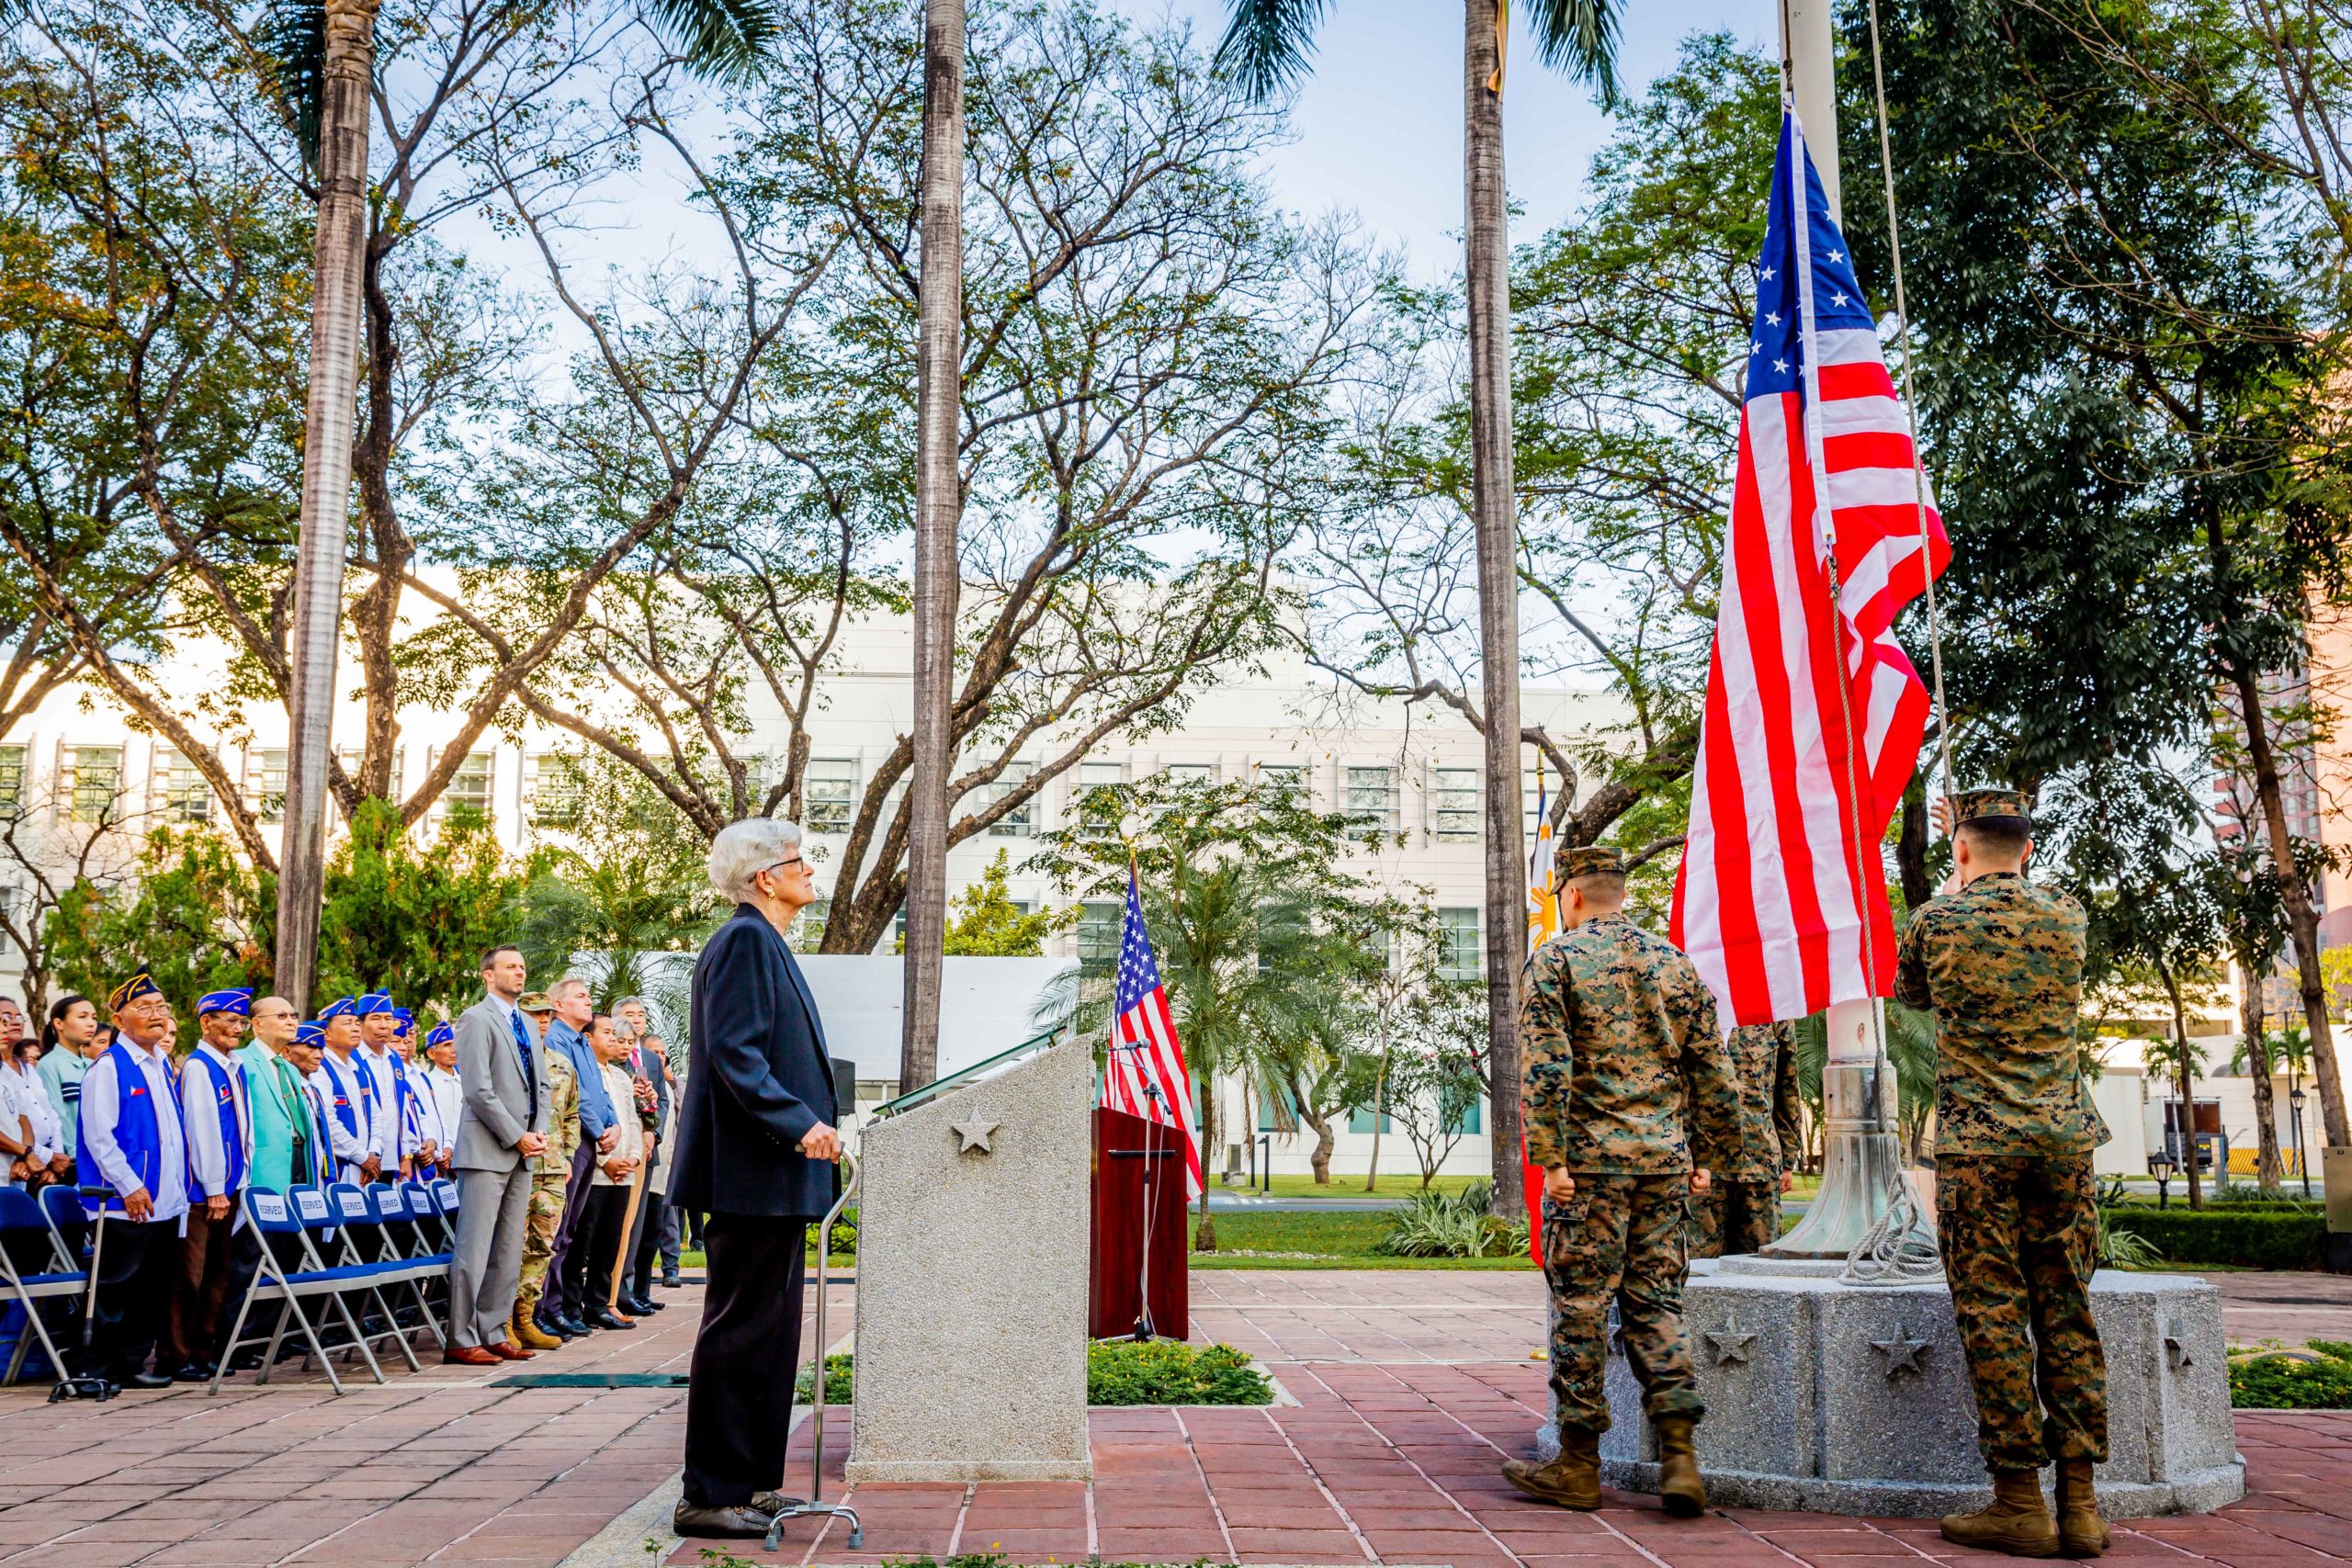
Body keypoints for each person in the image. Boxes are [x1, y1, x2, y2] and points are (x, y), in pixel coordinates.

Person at [1899, 790, 2110, 1559]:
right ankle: (2082, 1504)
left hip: (1977, 1148)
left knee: (1993, 1312)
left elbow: (1913, 994)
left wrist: (1953, 898)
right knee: (2067, 1306)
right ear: (2026, 847)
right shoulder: (2069, 915)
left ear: (1959, 850)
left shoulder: (1935, 920)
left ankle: (2019, 1501)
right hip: (2063, 1141)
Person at [1504, 844, 1736, 1517]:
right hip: (1663, 1163)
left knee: (1581, 1306)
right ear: (1620, 894)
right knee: (1657, 1304)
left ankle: (1578, 1465)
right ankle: (1680, 1458)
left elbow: (1547, 1067)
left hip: (1590, 1169)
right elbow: (1713, 1070)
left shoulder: (1556, 960)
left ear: (1570, 896)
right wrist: (1708, 1156)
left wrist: (1551, 1161)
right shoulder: (1673, 963)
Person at [670, 817, 842, 1540]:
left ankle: (750, 1481)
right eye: (798, 860)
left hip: (771, 1179)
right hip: (750, 1174)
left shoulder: (766, 940)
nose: (810, 870)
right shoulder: (744, 938)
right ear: (764, 876)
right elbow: (739, 1056)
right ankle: (708, 1492)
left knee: (770, 1337)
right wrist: (799, 1121)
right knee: (741, 1333)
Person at [74, 968, 191, 1390]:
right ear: (120, 1020)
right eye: (145, 1008)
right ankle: (95, 1370)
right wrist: (130, 1185)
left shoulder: (160, 1063)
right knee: (116, 1287)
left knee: (151, 1289)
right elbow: (99, 1136)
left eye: (161, 1007)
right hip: (123, 1200)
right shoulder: (110, 1066)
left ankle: (130, 1362)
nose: (157, 1015)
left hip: (164, 1199)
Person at [445, 944, 548, 1366]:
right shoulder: (475, 1019)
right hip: (487, 1150)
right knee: (475, 1248)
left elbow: (540, 1086)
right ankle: (460, 1337)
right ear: (488, 975)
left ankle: (493, 1329)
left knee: (508, 1249)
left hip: (524, 1151)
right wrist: (515, 1135)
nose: (519, 973)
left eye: (522, 966)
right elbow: (478, 1090)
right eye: (510, 967)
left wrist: (537, 1133)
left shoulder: (525, 1022)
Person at [166, 988, 253, 1383]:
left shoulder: (233, 1066)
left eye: (241, 1022)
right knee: (190, 1276)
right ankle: (177, 1355)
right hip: (204, 1192)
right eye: (229, 1021)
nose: (237, 1028)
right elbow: (202, 1131)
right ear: (206, 1023)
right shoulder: (200, 1067)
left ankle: (204, 1350)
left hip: (232, 1186)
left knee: (219, 1274)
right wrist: (214, 1186)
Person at [534, 976, 616, 1341]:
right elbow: (573, 1098)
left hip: (586, 1139)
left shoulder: (582, 1041)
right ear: (559, 1005)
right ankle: (543, 1310)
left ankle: (557, 1308)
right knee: (555, 1229)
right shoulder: (556, 1040)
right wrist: (600, 1130)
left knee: (568, 1230)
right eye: (580, 996)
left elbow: (596, 1089)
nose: (588, 1001)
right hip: (570, 1140)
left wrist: (612, 1123)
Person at [560, 1013, 644, 1333]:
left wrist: (633, 1157)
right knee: (582, 1239)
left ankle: (598, 1304)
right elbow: (583, 1119)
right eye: (606, 1033)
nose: (613, 1039)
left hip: (624, 1171)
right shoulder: (585, 1073)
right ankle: (570, 1306)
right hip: (597, 1170)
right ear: (589, 1038)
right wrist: (604, 1158)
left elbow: (630, 1121)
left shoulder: (622, 1077)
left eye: (615, 1033)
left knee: (610, 1241)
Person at [1690, 1021, 1802, 1258]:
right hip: (1702, 1161)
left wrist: (1788, 1160)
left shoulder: (1773, 1013)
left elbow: (1788, 1086)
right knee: (1698, 1264)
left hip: (1759, 1161)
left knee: (1759, 1263)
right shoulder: (1692, 1006)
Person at [511, 1013, 580, 1350]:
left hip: (552, 1167)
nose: (541, 1022)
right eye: (533, 1015)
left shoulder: (561, 1063)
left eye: (545, 1016)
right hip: (517, 1164)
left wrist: (567, 1155)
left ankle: (526, 1316)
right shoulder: (511, 1057)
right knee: (511, 1244)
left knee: (542, 1245)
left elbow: (571, 1113)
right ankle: (503, 1319)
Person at [314, 998, 380, 1183]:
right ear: (326, 1033)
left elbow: (375, 1115)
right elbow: (327, 1120)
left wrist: (373, 1153)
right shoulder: (320, 1067)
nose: (356, 1028)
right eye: (347, 1023)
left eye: (357, 1023)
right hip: (339, 1167)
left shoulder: (359, 1069)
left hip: (367, 1166)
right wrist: (362, 1156)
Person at [354, 992, 413, 1181]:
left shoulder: (394, 1058)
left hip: (391, 1157)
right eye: (375, 1018)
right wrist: (365, 1156)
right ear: (360, 1023)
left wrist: (406, 1154)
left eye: (388, 1019)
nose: (384, 1025)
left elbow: (401, 1110)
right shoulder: (352, 1058)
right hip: (362, 1158)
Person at [4, 1022, 67, 1193]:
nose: (5, 1028)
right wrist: (31, 1155)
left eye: (5, 1023)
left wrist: (39, 1156)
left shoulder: (12, 1072)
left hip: (23, 1167)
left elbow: (27, 1118)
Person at [37, 995, 101, 1163]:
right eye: (82, 1017)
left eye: (94, 1017)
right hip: (72, 1159)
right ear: (59, 1024)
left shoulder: (91, 1064)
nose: (91, 1023)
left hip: (99, 1156)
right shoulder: (48, 1064)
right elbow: (56, 1114)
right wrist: (74, 1154)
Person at [398, 1012, 447, 1178]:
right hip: (413, 1159)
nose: (408, 1040)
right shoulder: (399, 1075)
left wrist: (442, 1145)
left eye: (411, 1033)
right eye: (400, 1037)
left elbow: (436, 1118)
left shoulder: (421, 1074)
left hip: (436, 1157)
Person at [0, 998, 40, 1189]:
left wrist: (24, 1156)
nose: (5, 1029)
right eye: (2, 1022)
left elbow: (24, 1120)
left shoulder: (8, 1074)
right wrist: (25, 1153)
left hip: (15, 1173)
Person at [421, 1021, 464, 1165]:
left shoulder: (466, 1081)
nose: (454, 1050)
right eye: (446, 1045)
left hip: (468, 1157)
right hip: (440, 1158)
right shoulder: (427, 1083)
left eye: (454, 1043)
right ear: (431, 1053)